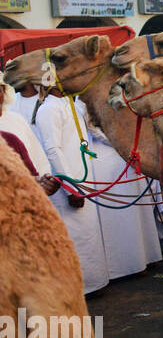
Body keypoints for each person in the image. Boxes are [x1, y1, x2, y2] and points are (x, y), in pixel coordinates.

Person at [14, 84, 110, 295]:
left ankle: (94, 284)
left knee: (88, 236)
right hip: (67, 185)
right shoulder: (48, 109)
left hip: (82, 181)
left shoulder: (68, 104)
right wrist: (71, 189)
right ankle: (80, 289)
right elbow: (52, 150)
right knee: (75, 238)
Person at [86, 118, 163, 279]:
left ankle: (147, 255)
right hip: (108, 154)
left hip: (127, 152)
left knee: (139, 209)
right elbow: (91, 127)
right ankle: (127, 264)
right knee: (122, 217)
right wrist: (120, 142)